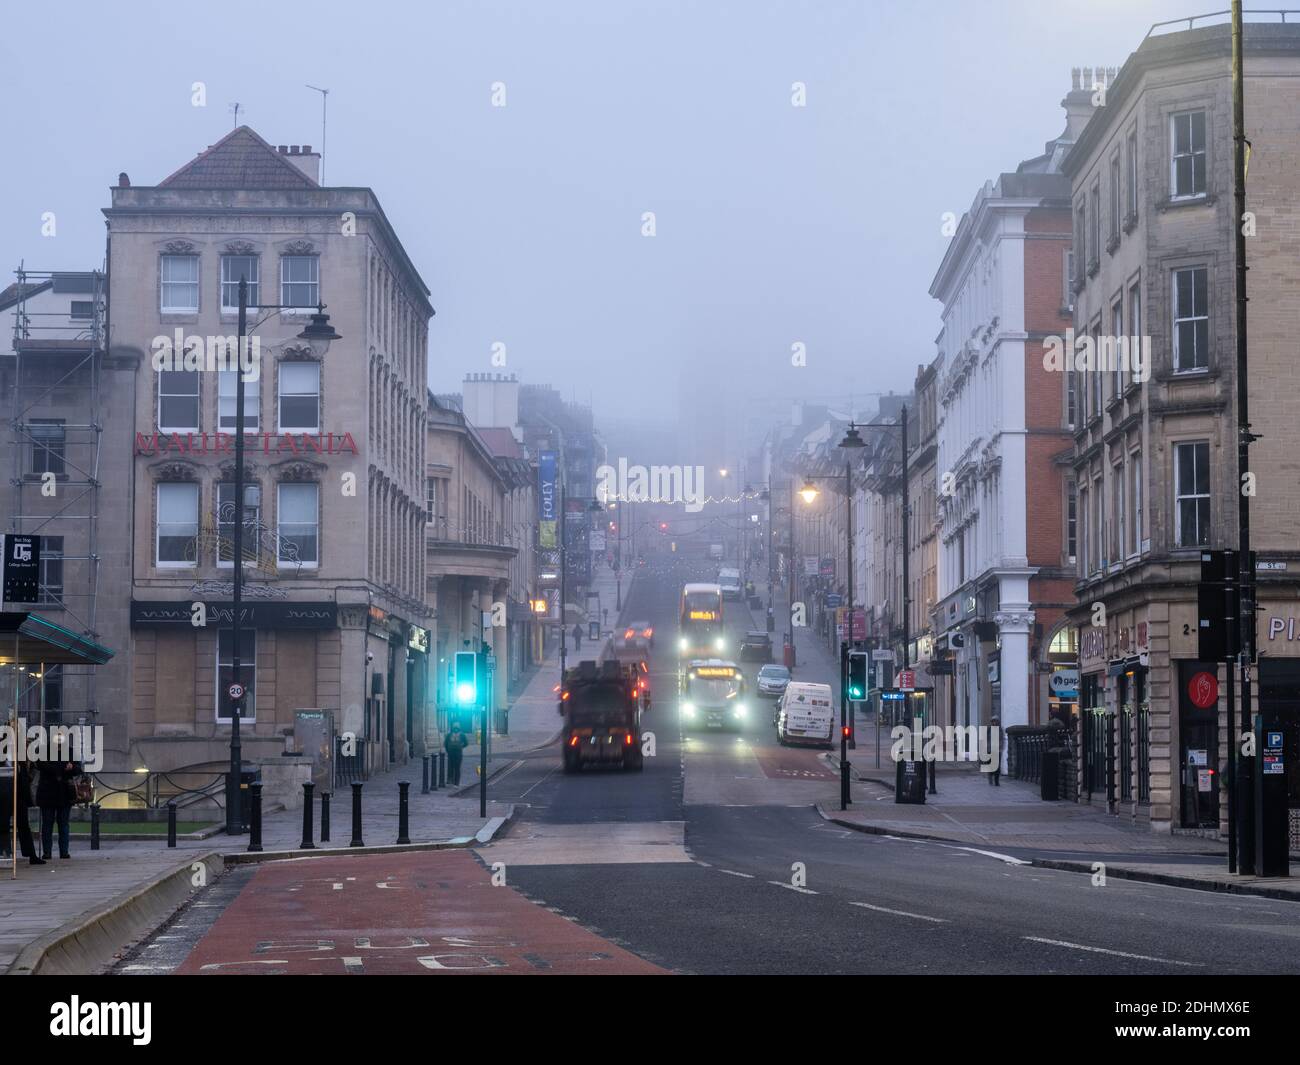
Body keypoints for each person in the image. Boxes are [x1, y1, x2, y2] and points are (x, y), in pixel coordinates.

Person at [0, 762, 44, 864]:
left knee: (23, 825)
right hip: (5, 795)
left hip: (18, 795)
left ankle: (31, 854)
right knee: (4, 825)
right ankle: (5, 852)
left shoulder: (20, 761)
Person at [37, 758, 78, 860]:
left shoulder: (69, 751)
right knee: (49, 824)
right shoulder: (45, 751)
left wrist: (71, 767)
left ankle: (62, 852)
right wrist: (65, 767)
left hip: (63, 793)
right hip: (49, 793)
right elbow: (42, 766)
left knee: (62, 824)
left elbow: (78, 769)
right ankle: (49, 852)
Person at [988, 716, 1002, 787]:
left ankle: (997, 781)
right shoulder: (989, 729)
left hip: (998, 750)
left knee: (997, 766)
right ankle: (990, 776)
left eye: (995, 721)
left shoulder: (1000, 730)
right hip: (991, 750)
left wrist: (1000, 747)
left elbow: (1002, 739)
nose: (994, 723)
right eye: (993, 721)